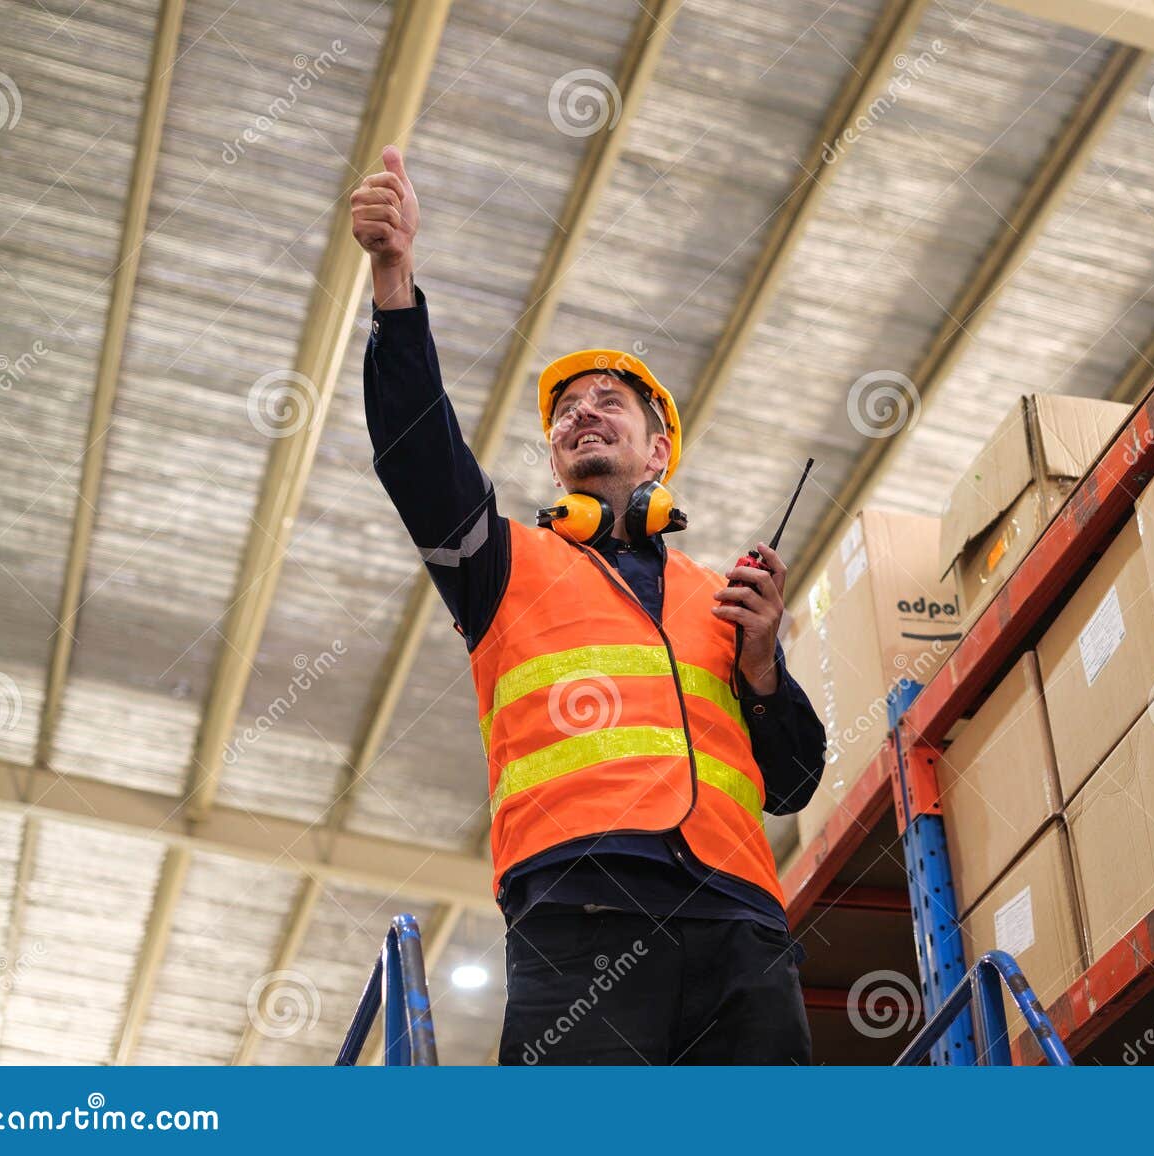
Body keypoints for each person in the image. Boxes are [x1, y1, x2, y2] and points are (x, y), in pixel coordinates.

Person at [353, 145, 826, 1065]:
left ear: (658, 455)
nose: (582, 414)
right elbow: (417, 453)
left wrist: (764, 664)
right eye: (566, 409)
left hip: (739, 926)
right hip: (582, 916)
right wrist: (394, 283)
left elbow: (796, 781)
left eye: (610, 402)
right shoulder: (502, 565)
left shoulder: (724, 603)